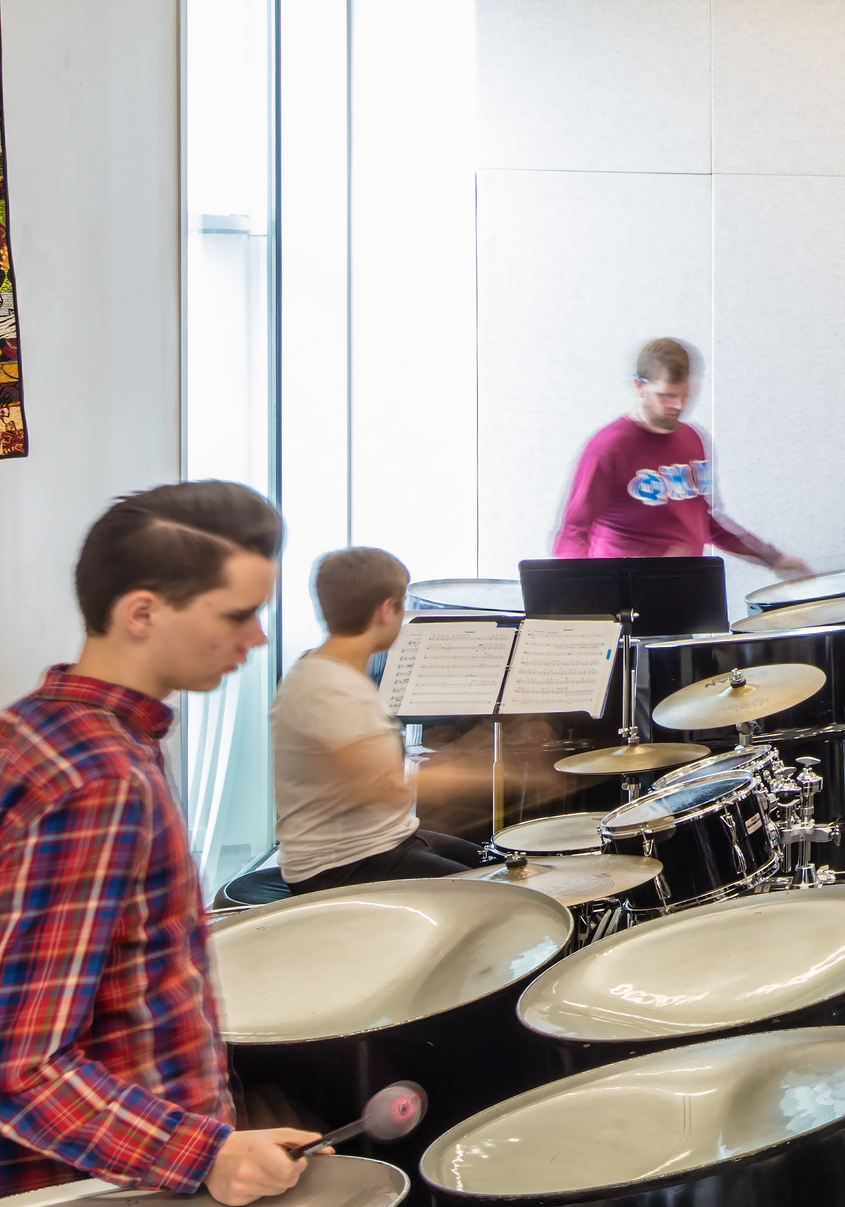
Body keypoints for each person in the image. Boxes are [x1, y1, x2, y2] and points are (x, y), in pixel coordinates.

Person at [0, 484, 325, 1207]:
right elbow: (10, 1068)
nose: (255, 639)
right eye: (237, 614)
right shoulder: (101, 781)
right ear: (142, 612)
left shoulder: (6, 736)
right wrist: (206, 1150)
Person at [268, 547, 496, 894]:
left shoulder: (329, 671)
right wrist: (488, 774)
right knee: (501, 899)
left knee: (502, 865)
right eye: (403, 605)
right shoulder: (331, 688)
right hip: (344, 865)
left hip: (387, 839)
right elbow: (380, 787)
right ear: (386, 610)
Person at [551, 335, 805, 579]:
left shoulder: (693, 438)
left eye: (685, 394)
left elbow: (705, 520)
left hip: (685, 587)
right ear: (639, 386)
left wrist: (772, 558)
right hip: (624, 596)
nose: (679, 406)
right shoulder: (608, 448)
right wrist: (580, 604)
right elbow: (573, 531)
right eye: (667, 396)